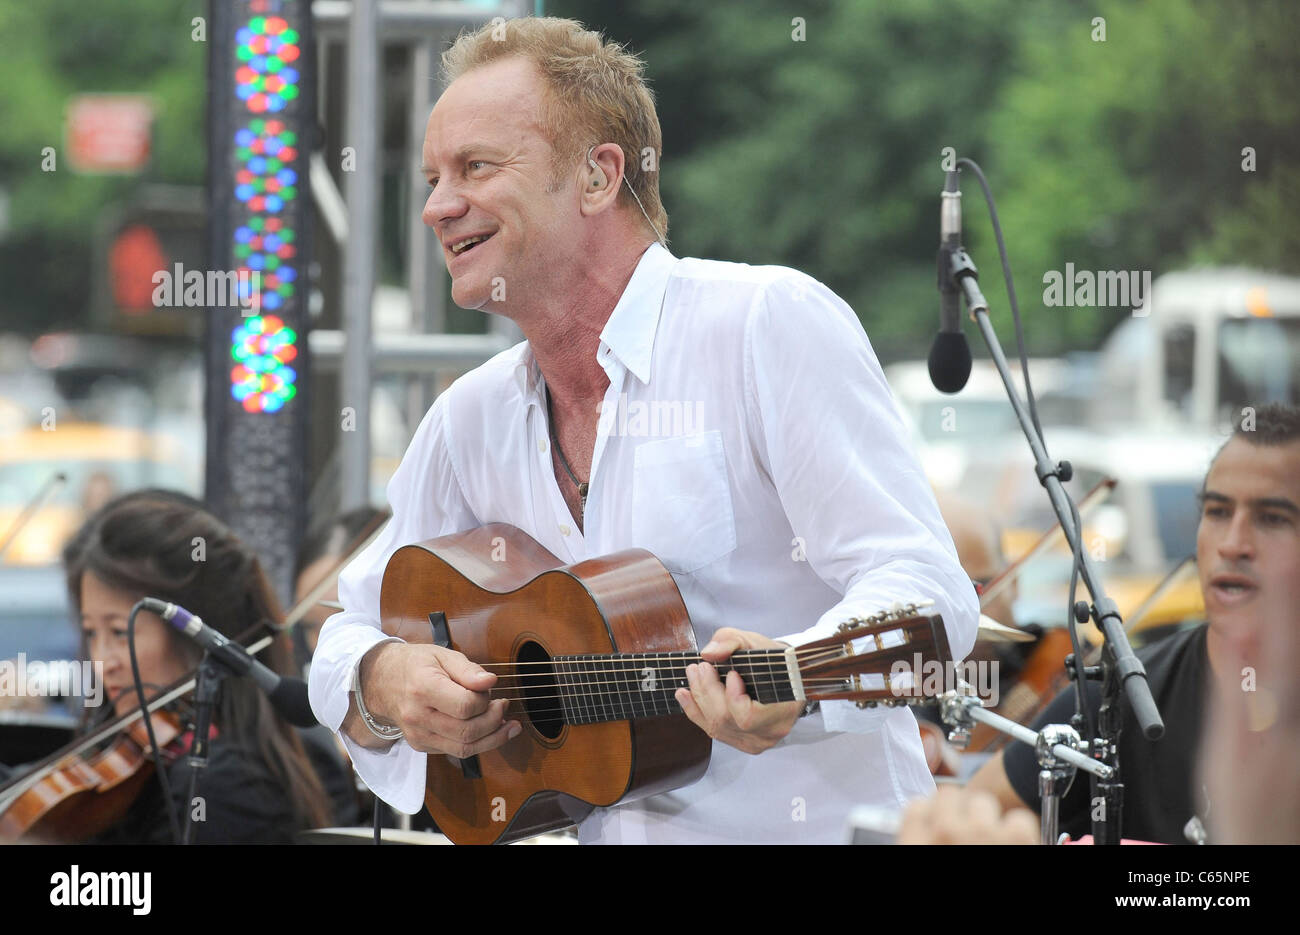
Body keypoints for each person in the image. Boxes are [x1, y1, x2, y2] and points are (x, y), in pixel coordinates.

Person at [308, 16, 978, 844]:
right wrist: (387, 676)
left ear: (597, 176)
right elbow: (344, 629)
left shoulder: (765, 324)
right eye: (433, 177)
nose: (438, 207)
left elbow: (926, 592)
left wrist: (805, 679)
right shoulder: (467, 418)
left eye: (475, 167)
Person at [964, 403, 1300, 844]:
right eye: (1218, 512)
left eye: (1272, 518)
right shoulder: (1110, 701)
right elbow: (972, 816)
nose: (1234, 544)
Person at [45, 490, 355, 843]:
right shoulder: (138, 759)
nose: (101, 662)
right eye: (90, 632)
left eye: (119, 631)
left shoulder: (225, 786)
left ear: (195, 637)